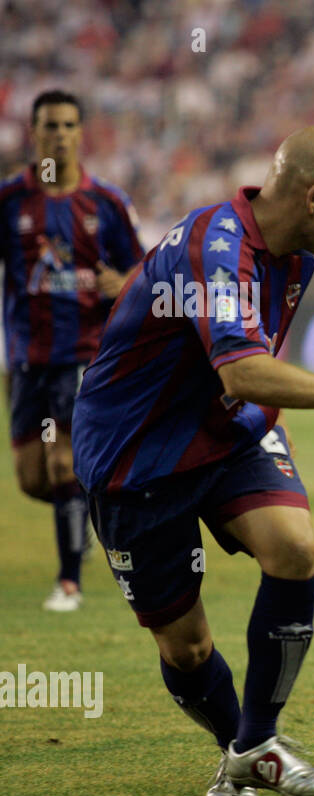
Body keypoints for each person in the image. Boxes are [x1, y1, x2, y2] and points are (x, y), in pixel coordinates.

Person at [72, 127, 314, 796]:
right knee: (185, 648)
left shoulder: (297, 253)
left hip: (228, 431)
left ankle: (260, 743)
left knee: (295, 548)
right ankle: (236, 751)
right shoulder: (218, 249)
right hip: (136, 455)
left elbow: (249, 373)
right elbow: (242, 370)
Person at [0, 90, 143, 611]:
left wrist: (120, 281)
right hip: (24, 357)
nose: (58, 135)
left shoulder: (105, 204)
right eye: (48, 126)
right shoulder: (11, 200)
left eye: (67, 125)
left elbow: (146, 273)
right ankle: (99, 510)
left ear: (81, 133)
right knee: (34, 478)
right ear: (33, 133)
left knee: (64, 463)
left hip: (83, 354)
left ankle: (68, 583)